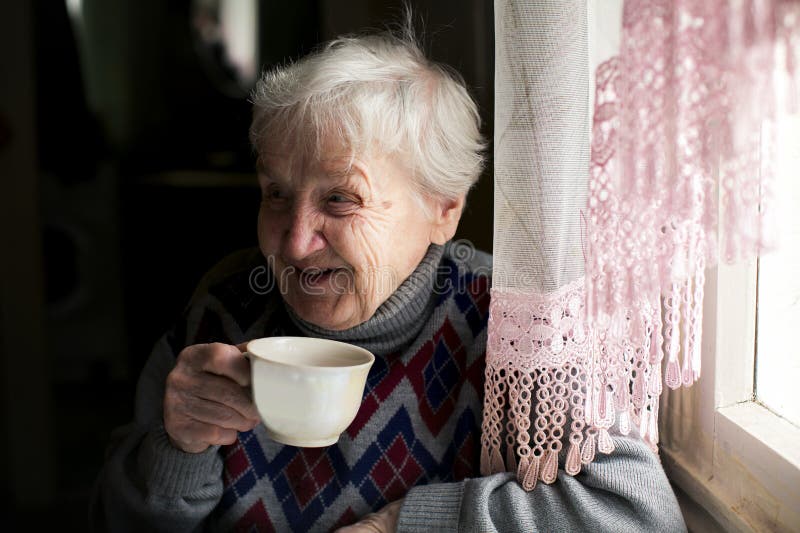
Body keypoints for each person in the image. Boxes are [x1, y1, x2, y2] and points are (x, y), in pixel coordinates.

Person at [91, 21, 687, 533]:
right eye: (276, 192)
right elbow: (109, 521)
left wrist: (405, 523)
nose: (295, 242)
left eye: (342, 199)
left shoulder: (511, 323)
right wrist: (179, 449)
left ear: (443, 208)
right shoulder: (223, 308)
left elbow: (636, 513)